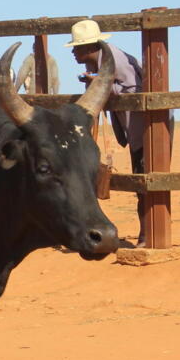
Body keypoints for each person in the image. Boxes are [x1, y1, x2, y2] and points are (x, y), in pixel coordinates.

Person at [67, 19, 169, 246]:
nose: (73, 52)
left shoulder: (115, 61)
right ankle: (147, 233)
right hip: (135, 127)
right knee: (141, 179)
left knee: (144, 179)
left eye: (76, 47)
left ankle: (149, 235)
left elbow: (136, 90)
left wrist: (101, 84)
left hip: (145, 127)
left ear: (89, 47)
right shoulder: (103, 62)